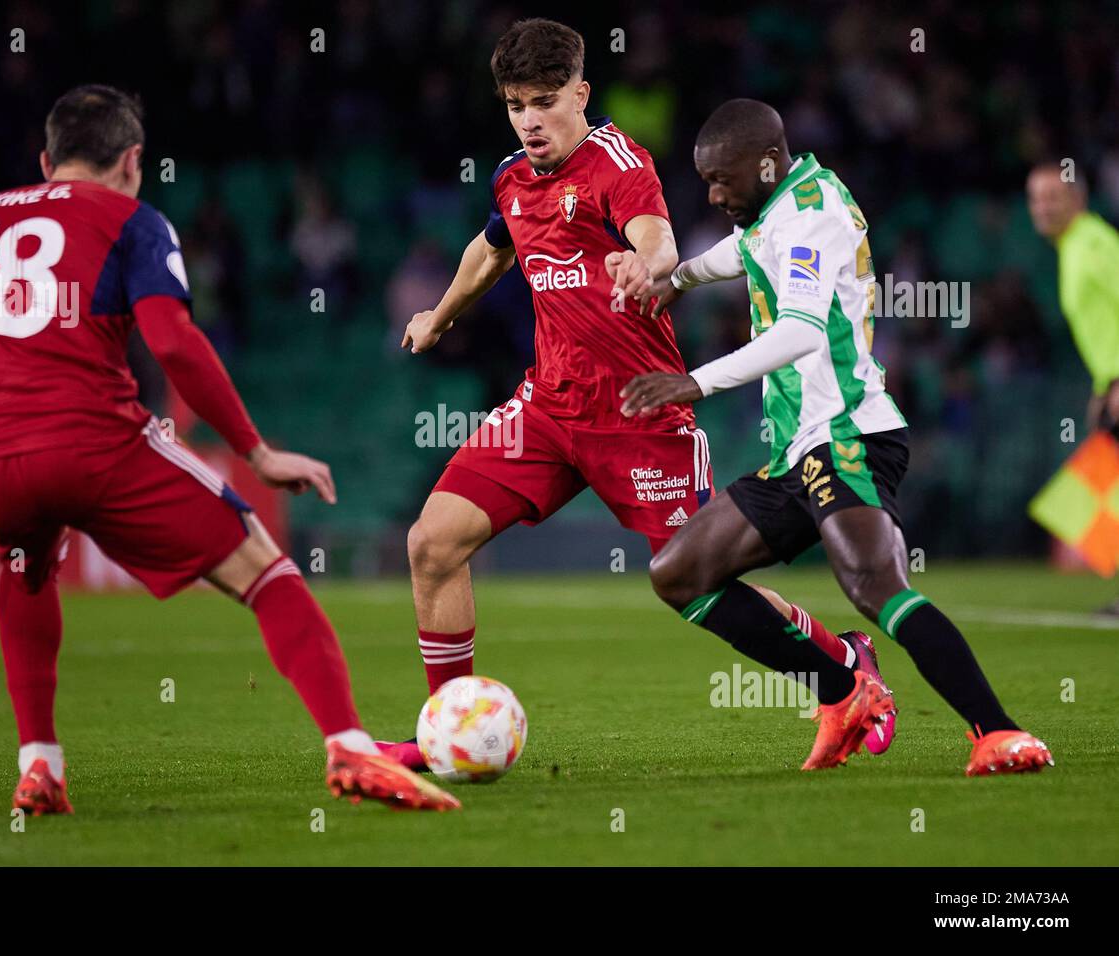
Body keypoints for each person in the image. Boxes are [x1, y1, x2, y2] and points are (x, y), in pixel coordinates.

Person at [0, 84, 460, 814]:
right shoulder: (133, 219)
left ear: (46, 159)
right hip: (89, 441)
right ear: (133, 161)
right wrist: (257, 452)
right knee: (262, 566)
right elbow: (174, 344)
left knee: (26, 567)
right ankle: (350, 747)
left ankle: (40, 766)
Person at [384, 21, 893, 768]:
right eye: (516, 104)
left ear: (580, 94)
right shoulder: (511, 177)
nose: (530, 119)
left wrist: (645, 262)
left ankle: (845, 670)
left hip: (639, 414)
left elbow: (656, 237)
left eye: (546, 101)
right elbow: (493, 249)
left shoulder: (619, 164)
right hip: (547, 408)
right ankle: (442, 736)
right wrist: (438, 316)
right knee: (432, 543)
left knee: (696, 584)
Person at [628, 98, 1052, 775]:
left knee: (873, 584)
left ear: (766, 162)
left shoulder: (810, 216)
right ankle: (845, 684)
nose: (712, 193)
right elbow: (745, 250)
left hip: (846, 434)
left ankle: (998, 732)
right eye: (705, 180)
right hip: (797, 449)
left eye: (722, 180)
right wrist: (680, 278)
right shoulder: (777, 207)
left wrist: (697, 382)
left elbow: (798, 330)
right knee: (678, 573)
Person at [1026, 163, 1119, 614]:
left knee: (1100, 495)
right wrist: (1105, 385)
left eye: (1052, 196)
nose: (1042, 207)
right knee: (1103, 493)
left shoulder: (1094, 243)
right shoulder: (1073, 247)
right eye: (1035, 198)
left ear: (1077, 199)